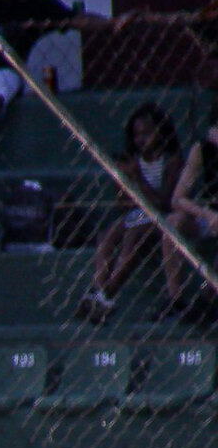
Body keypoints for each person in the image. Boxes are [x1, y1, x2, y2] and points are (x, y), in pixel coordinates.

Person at [76, 104, 183, 324]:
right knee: (108, 234)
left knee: (132, 237)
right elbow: (122, 205)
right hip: (137, 213)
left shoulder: (171, 161)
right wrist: (123, 180)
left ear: (161, 132)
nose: (141, 140)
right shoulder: (133, 160)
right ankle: (98, 288)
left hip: (160, 216)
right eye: (137, 135)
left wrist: (137, 177)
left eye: (147, 133)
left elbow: (163, 203)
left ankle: (108, 294)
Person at [164, 109, 218, 323]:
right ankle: (175, 300)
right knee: (172, 222)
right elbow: (177, 199)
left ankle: (207, 301)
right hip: (210, 216)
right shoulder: (203, 149)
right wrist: (206, 213)